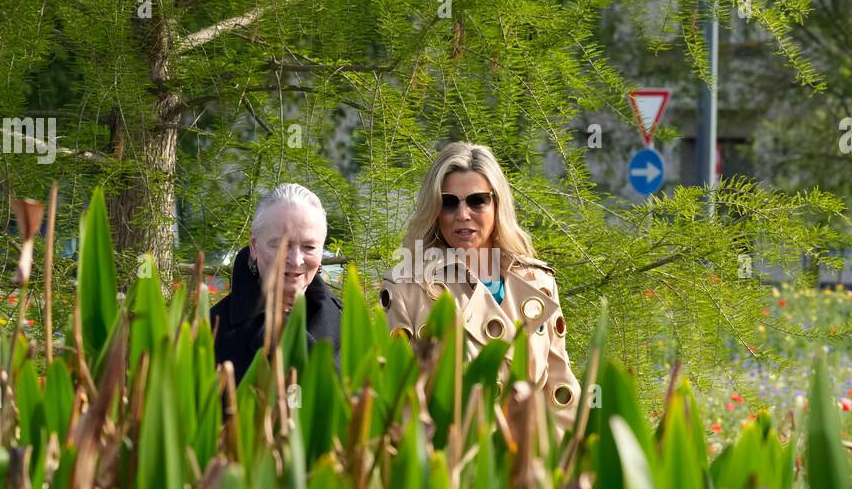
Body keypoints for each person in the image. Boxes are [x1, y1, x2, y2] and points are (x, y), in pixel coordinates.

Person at [380, 142, 581, 431]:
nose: (462, 214)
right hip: (451, 463)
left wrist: (567, 466)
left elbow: (560, 391)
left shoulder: (538, 281)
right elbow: (400, 401)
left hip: (528, 462)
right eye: (449, 202)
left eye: (477, 201)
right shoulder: (406, 288)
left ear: (497, 204)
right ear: (435, 211)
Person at [210, 183, 341, 380]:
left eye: (309, 247)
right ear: (254, 246)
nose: (296, 260)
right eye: (281, 246)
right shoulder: (212, 333)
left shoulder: (348, 325)